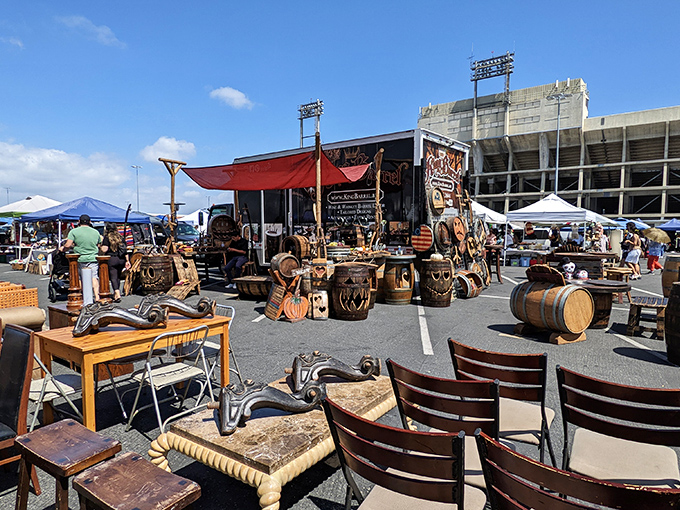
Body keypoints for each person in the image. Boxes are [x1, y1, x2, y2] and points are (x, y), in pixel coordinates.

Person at [60, 214, 102, 301]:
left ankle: (83, 295)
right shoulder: (95, 232)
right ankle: (97, 297)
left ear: (79, 222)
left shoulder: (74, 231)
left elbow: (68, 244)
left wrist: (62, 249)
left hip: (79, 258)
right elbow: (98, 244)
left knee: (80, 277)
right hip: (93, 257)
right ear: (90, 222)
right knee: (94, 277)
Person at [100, 223, 130, 302]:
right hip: (121, 259)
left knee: (113, 277)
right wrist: (127, 261)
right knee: (118, 277)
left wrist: (100, 246)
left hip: (112, 259)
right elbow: (125, 250)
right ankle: (116, 293)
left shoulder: (107, 238)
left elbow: (104, 249)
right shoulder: (120, 237)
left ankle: (117, 293)